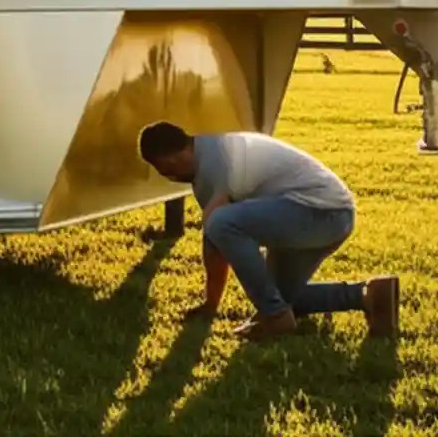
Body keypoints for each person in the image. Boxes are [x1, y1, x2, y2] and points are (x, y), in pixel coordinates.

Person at [137, 121, 399, 341]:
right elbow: (215, 244)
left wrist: (213, 305)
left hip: (320, 213)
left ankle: (274, 317)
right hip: (329, 215)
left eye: (166, 169)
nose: (169, 177)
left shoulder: (213, 162)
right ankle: (370, 294)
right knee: (282, 297)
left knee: (221, 223)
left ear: (175, 154)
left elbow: (217, 230)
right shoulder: (210, 151)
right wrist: (210, 306)